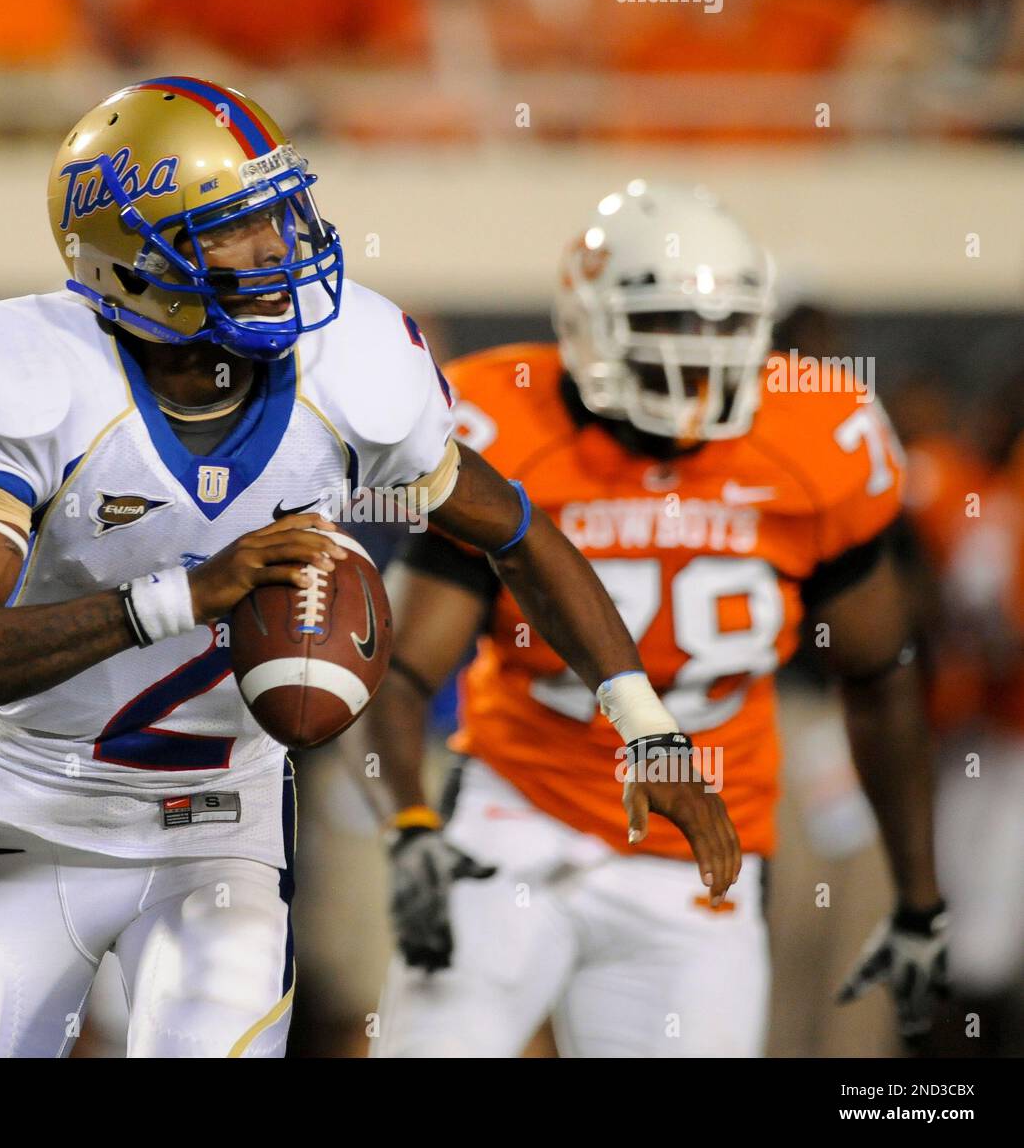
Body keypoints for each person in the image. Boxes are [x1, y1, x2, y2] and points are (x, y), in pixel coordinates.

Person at [0, 80, 735, 1059]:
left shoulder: (351, 361)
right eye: (233, 226)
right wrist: (182, 597)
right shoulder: (31, 368)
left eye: (280, 210)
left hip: (222, 824)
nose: (277, 247)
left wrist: (648, 729)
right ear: (125, 258)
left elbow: (516, 531)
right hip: (32, 819)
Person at [368, 182, 947, 1057]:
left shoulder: (817, 432)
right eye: (672, 320)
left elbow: (881, 676)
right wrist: (409, 824)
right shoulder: (503, 417)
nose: (700, 351)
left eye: (722, 324)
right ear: (588, 320)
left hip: (705, 839)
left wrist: (918, 898)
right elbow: (402, 670)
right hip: (515, 817)